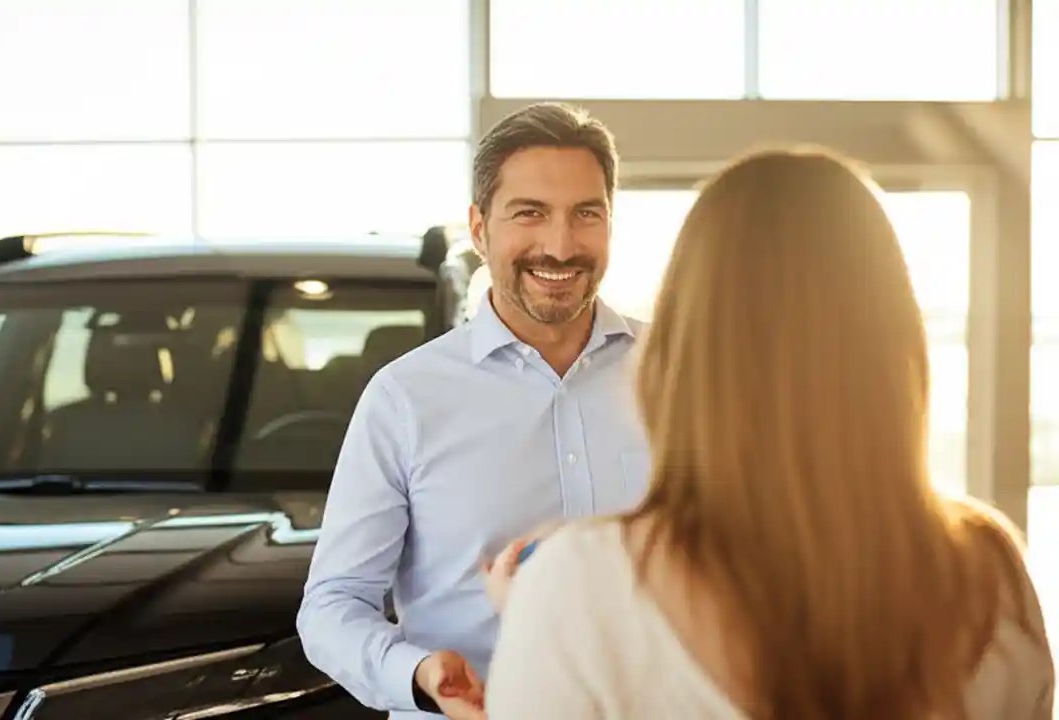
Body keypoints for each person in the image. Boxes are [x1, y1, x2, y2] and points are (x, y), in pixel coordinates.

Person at [482, 147, 1055, 719]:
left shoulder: (579, 587)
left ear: (683, 354)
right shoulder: (991, 570)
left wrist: (545, 622)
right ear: (897, 348)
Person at [296, 102, 652, 719]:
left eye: (586, 214)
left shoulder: (682, 375)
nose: (560, 245)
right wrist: (416, 672)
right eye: (530, 214)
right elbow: (332, 605)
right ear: (480, 227)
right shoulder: (404, 398)